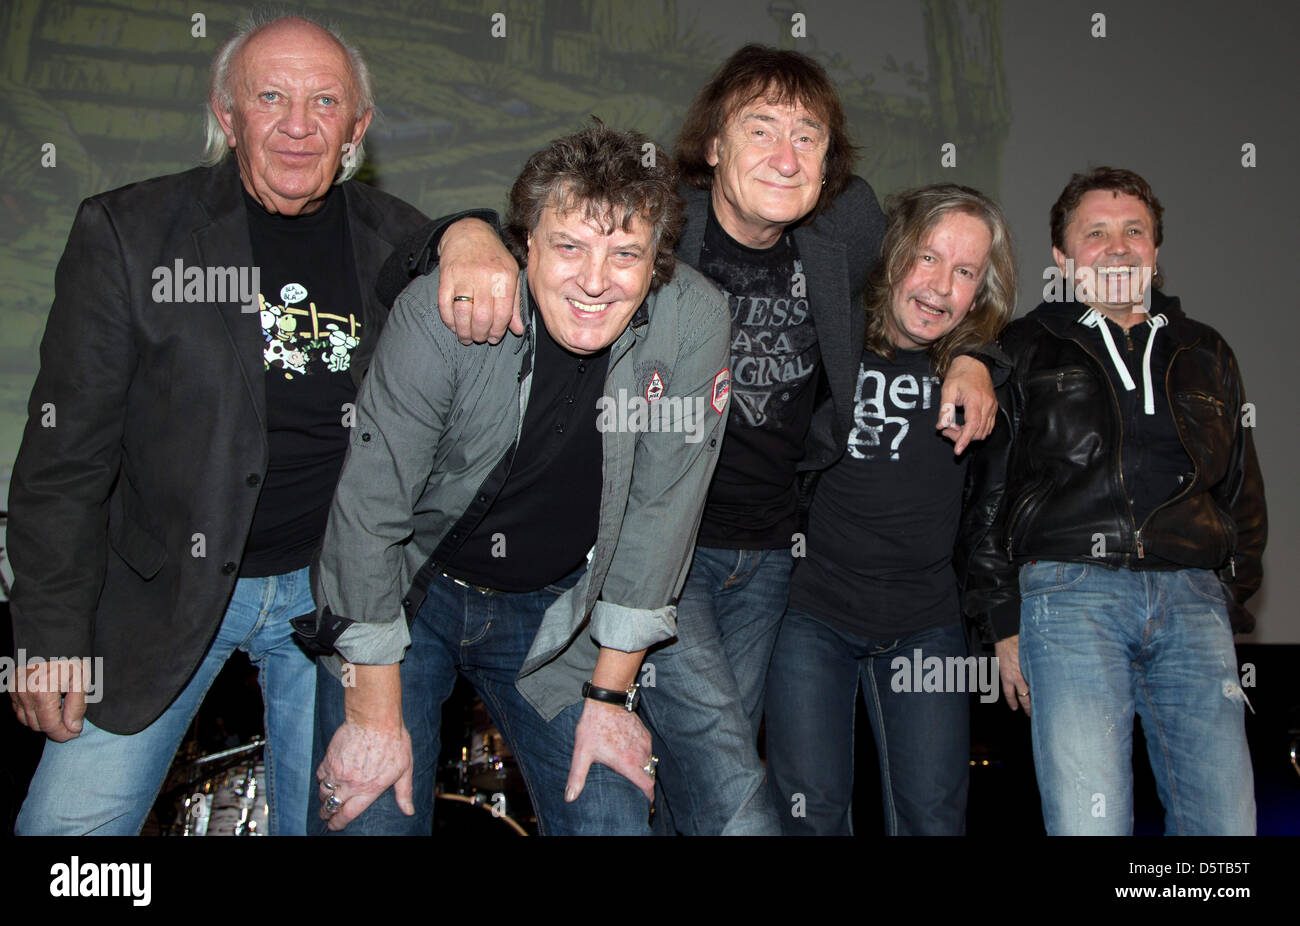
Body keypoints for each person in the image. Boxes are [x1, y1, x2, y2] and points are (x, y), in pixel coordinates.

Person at [399, 45, 1002, 835]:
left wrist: (978, 358)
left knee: (696, 782)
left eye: (808, 137)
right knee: (728, 784)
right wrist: (461, 231)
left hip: (768, 562)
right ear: (714, 145)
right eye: (760, 130)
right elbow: (543, 231)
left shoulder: (844, 226)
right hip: (663, 553)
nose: (785, 158)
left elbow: (927, 294)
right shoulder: (664, 225)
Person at [6, 12, 446, 835]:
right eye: (270, 96)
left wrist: (476, 238)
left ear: (358, 127)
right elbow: (62, 461)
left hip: (335, 601)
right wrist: (51, 634)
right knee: (65, 843)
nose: (296, 124)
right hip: (160, 591)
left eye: (324, 102)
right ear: (226, 114)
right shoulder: (128, 235)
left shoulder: (403, 244)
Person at [302, 120, 732, 836]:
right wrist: (373, 718)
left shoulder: (692, 320)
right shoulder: (442, 311)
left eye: (626, 253)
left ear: (656, 261)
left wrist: (609, 701)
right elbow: (370, 514)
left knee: (613, 821)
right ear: (525, 241)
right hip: (411, 591)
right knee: (369, 811)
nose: (595, 282)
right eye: (569, 247)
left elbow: (662, 518)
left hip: (556, 612)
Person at [962, 167, 1266, 835]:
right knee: (1087, 824)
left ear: (1156, 251)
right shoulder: (1019, 349)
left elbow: (1243, 490)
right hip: (1069, 597)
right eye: (1095, 234)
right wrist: (1003, 622)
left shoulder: (1207, 349)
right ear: (1063, 259)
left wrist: (1228, 594)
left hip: (1193, 602)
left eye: (1135, 232)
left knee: (1226, 828)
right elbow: (986, 496)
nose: (1119, 246)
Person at [764, 184, 1015, 834]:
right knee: (809, 816)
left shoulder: (986, 376)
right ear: (893, 253)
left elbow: (1000, 508)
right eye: (927, 258)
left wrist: (975, 356)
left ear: (981, 291)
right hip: (811, 614)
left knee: (933, 818)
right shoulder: (830, 339)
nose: (939, 286)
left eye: (965, 272)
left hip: (926, 625)